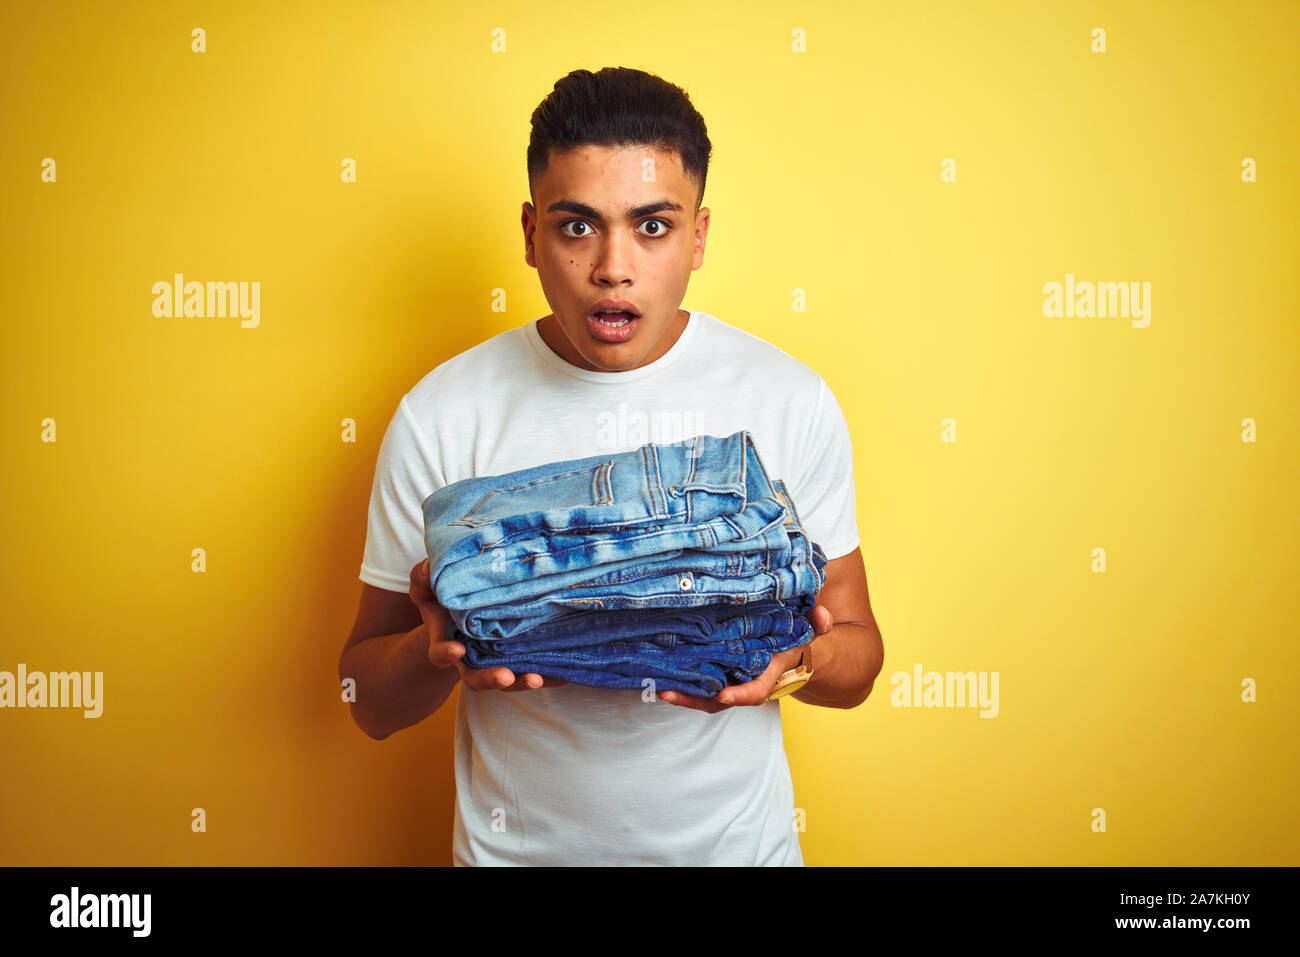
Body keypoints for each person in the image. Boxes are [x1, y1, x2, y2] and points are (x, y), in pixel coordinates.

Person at [339, 66, 885, 866]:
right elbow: (366, 701)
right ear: (530, 234)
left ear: (698, 235)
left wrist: (796, 659)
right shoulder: (444, 412)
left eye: (652, 227)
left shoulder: (787, 398)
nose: (612, 268)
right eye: (576, 226)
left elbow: (860, 653)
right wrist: (434, 651)